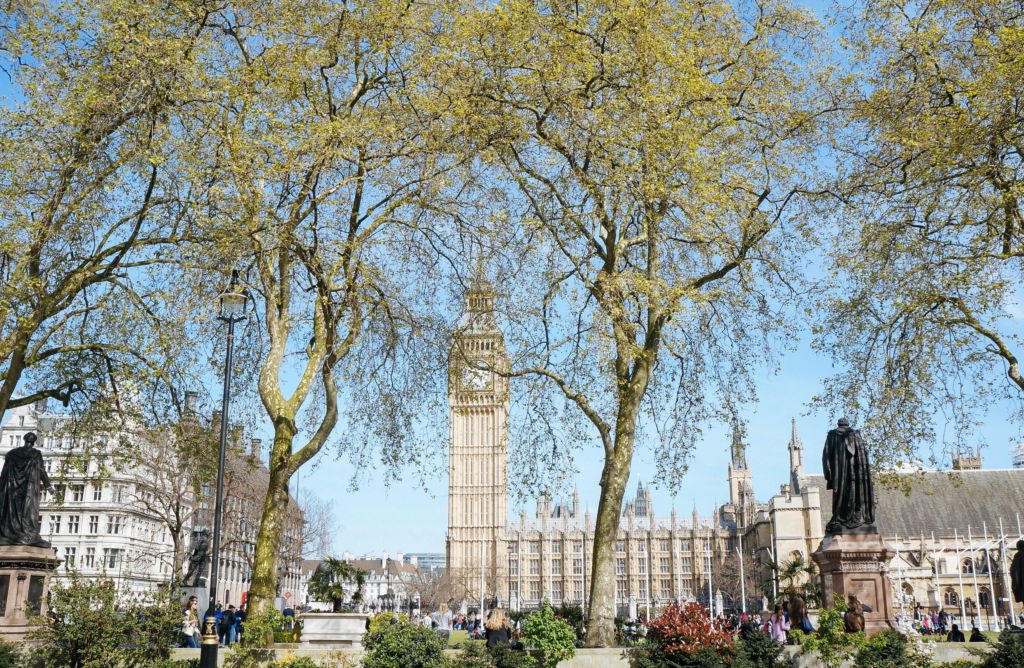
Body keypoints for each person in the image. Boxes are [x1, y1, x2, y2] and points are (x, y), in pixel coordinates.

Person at [822, 418, 875, 535]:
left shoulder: (832, 435)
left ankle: (841, 516)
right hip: (856, 473)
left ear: (838, 424)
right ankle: (856, 514)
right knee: (856, 493)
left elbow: (826, 456)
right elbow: (863, 455)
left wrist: (828, 474)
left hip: (839, 473)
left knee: (840, 494)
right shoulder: (856, 435)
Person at [0, 432, 54, 547]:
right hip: (29, 488)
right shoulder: (35, 454)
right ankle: (28, 534)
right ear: (34, 442)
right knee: (28, 511)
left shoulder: (12, 453)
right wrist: (48, 486)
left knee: (12, 511)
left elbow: (4, 473)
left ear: (24, 440)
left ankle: (10, 533)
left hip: (12, 488)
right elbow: (41, 470)